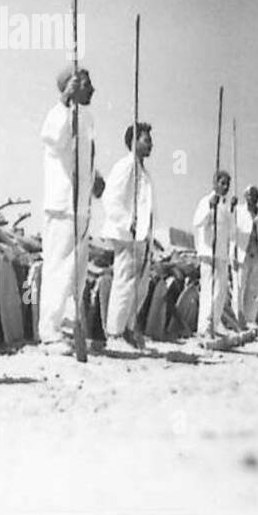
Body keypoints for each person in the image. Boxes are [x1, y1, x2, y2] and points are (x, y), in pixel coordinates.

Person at [38, 66, 104, 347]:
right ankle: (49, 332)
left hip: (81, 207)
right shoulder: (58, 114)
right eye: (86, 84)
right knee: (57, 268)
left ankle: (68, 326)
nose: (92, 89)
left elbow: (80, 157)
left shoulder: (86, 119)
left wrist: (95, 178)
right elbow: (55, 141)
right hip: (62, 205)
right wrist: (66, 101)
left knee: (75, 272)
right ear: (72, 85)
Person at [101, 122, 157, 352]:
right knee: (124, 282)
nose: (150, 143)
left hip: (141, 236)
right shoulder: (125, 166)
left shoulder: (143, 172)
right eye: (146, 139)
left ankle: (127, 329)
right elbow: (110, 198)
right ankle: (114, 332)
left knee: (139, 286)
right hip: (125, 234)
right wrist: (127, 221)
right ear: (133, 142)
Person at [192, 170, 235, 342]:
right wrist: (210, 206)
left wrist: (231, 209)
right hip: (208, 252)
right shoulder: (206, 201)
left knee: (220, 292)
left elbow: (231, 232)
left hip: (221, 255)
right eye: (222, 183)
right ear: (215, 183)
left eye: (227, 185)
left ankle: (213, 326)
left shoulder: (224, 206)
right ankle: (204, 328)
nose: (225, 187)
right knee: (208, 292)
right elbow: (198, 221)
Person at [233, 186, 258, 327]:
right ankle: (237, 319)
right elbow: (232, 236)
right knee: (239, 288)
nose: (251, 197)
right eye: (249, 195)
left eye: (254, 195)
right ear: (245, 196)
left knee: (254, 290)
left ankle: (250, 319)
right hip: (242, 254)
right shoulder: (237, 211)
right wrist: (232, 255)